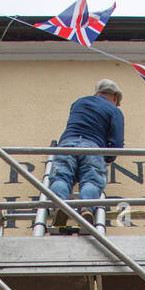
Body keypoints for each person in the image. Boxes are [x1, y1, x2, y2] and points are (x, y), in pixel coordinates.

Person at [48, 79, 124, 230]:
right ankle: (86, 210)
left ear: (97, 92)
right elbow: (117, 142)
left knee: (61, 177)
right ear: (115, 97)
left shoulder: (79, 103)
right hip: (92, 147)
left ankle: (61, 207)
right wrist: (108, 158)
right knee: (92, 180)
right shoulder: (114, 110)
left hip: (67, 144)